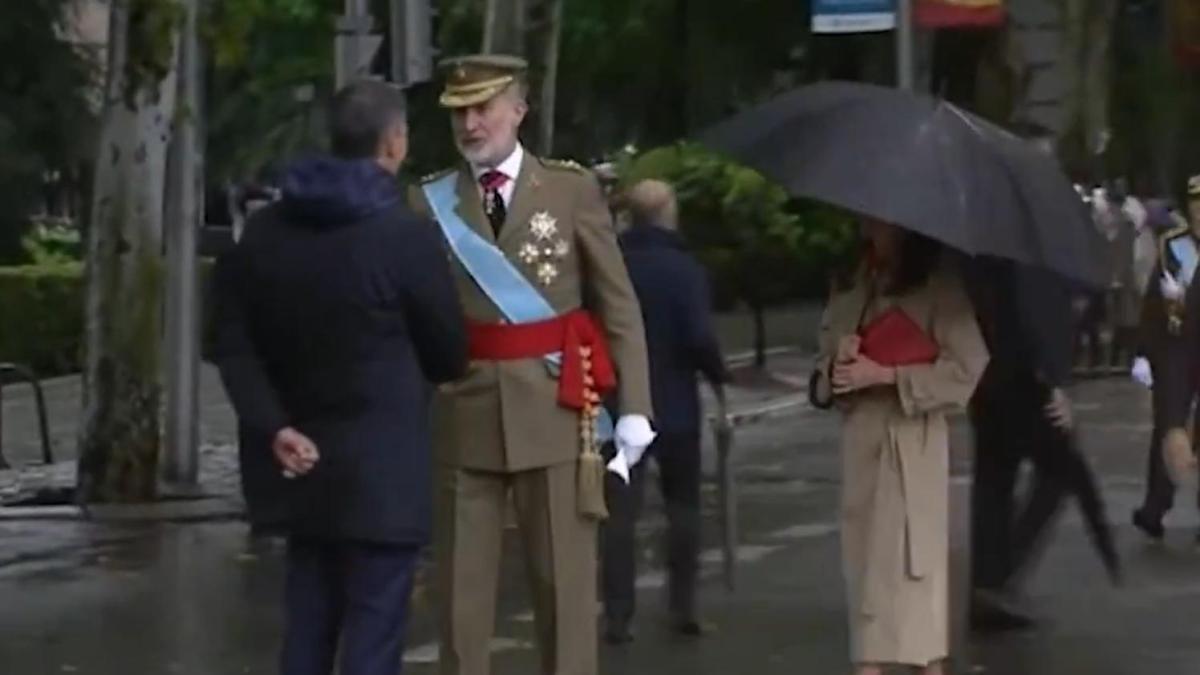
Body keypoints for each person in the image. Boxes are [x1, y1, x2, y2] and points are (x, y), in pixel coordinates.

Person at [210, 80, 467, 675]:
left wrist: (273, 426)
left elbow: (231, 345)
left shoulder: (265, 234)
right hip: (384, 476)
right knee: (373, 641)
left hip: (301, 469)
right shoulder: (404, 237)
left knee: (307, 627)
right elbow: (450, 354)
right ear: (394, 143)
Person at [408, 55, 654, 675]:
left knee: (565, 598)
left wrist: (637, 410)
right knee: (462, 607)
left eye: (483, 108)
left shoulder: (571, 191)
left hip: (557, 416)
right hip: (463, 415)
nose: (470, 123)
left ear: (518, 110)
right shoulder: (427, 202)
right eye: (459, 111)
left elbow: (618, 303)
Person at [811, 218, 989, 675]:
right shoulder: (851, 284)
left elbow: (968, 368)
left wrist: (890, 376)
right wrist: (839, 365)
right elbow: (819, 379)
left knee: (915, 586)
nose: (871, 230)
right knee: (866, 584)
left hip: (912, 446)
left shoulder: (937, 288)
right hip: (861, 447)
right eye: (866, 221)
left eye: (882, 224)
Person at [601, 180, 729, 643]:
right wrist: (718, 374)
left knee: (619, 514)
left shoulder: (612, 267)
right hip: (675, 405)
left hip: (620, 405)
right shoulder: (685, 269)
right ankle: (682, 605)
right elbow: (698, 336)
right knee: (683, 507)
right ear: (668, 215)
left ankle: (617, 614)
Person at [966, 258, 1120, 631]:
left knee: (993, 477)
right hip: (1023, 379)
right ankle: (999, 575)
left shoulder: (977, 243)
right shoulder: (1027, 248)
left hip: (984, 375)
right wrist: (1056, 380)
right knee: (1057, 470)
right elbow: (1037, 309)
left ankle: (988, 583)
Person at [1139, 176, 1200, 540]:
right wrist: (1143, 354)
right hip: (1176, 349)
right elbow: (1152, 304)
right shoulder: (1172, 247)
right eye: (1196, 205)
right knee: (1169, 425)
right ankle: (1154, 507)